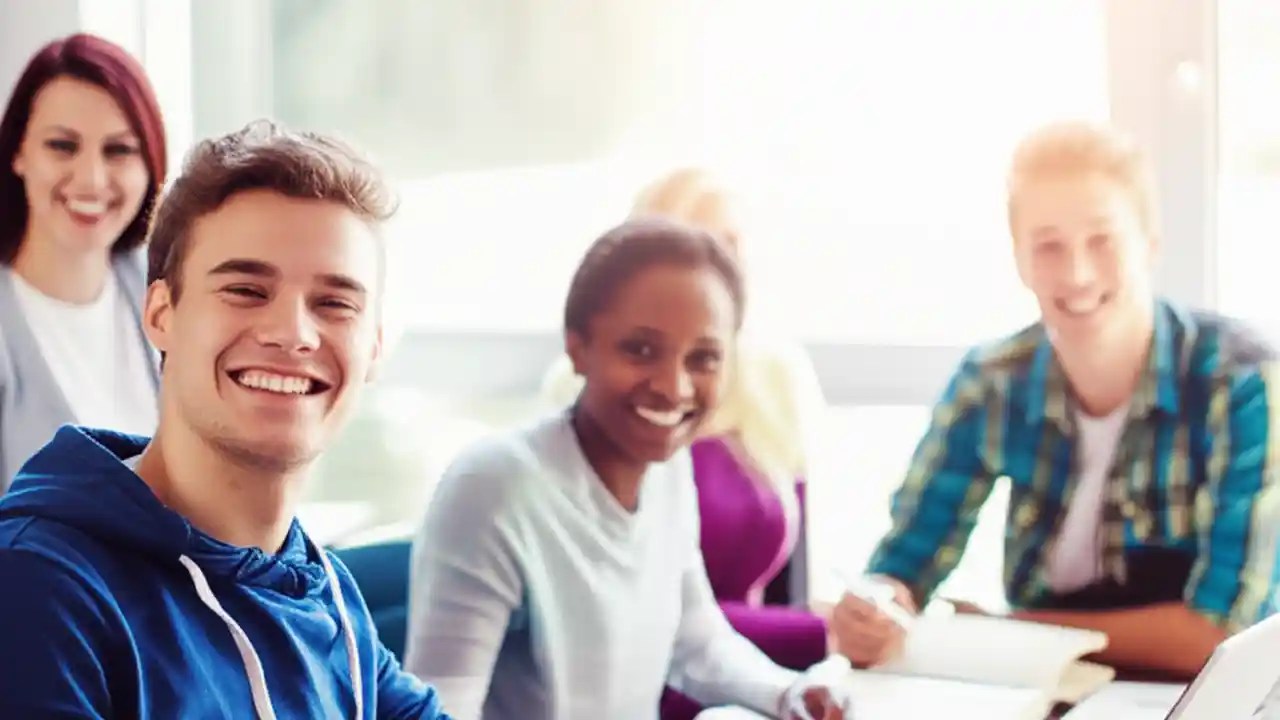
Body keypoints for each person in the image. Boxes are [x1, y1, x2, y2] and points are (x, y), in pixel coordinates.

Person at [0, 120, 451, 719]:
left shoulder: (328, 595)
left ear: (373, 347)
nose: (292, 333)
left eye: (335, 303)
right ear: (162, 313)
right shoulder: (38, 588)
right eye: (245, 289)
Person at [830, 120, 1280, 680]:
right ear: (1018, 258)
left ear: (1151, 243)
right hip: (1053, 689)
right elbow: (903, 567)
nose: (1077, 273)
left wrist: (1012, 629)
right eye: (1048, 246)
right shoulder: (990, 382)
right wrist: (875, 607)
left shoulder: (1240, 382)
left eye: (1103, 240)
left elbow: (1223, 631)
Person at [407, 218, 850, 720]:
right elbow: (443, 708)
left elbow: (696, 641)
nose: (674, 387)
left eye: (703, 358)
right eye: (640, 350)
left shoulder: (668, 469)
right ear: (577, 346)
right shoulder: (494, 487)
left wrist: (789, 695)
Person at [541, 168, 829, 681]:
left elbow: (790, 591)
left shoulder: (776, 375)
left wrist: (820, 650)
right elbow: (632, 610)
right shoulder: (581, 388)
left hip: (747, 678)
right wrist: (819, 633)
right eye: (696, 244)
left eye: (732, 246)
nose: (719, 269)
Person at [0, 33, 167, 486]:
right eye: (62, 146)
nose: (91, 179)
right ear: (18, 152)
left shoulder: (166, 288)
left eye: (119, 150)